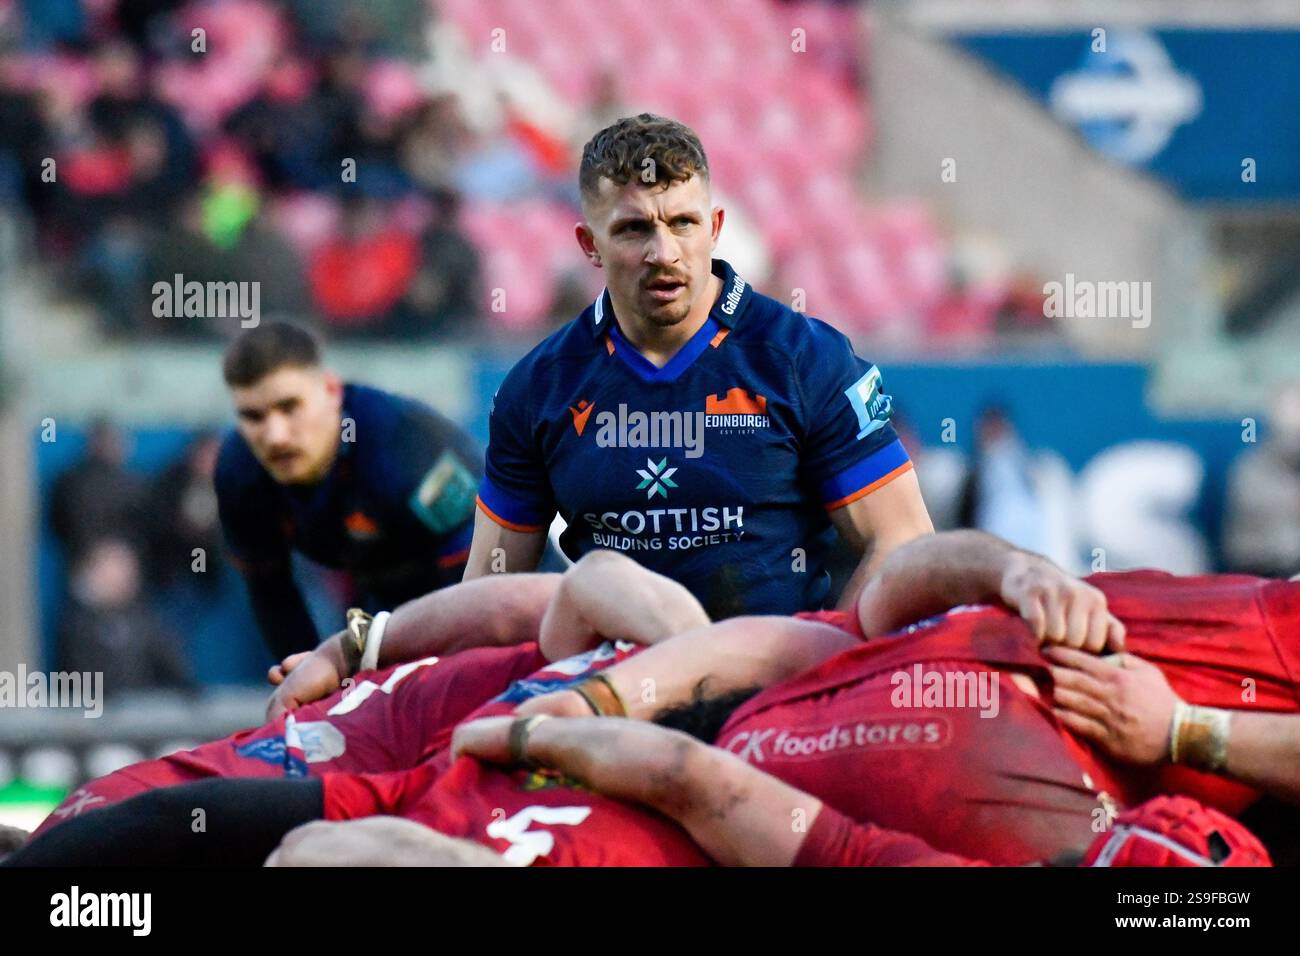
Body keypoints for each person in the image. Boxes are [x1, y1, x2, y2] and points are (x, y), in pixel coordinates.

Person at [13, 534, 1299, 867]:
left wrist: (1189, 737)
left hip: (563, 773)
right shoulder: (746, 643)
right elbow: (570, 597)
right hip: (533, 745)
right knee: (148, 840)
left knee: (286, 841)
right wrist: (361, 640)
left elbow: (597, 615)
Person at [465, 113, 933, 616]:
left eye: (682, 224)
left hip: (777, 678)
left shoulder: (805, 361)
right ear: (589, 245)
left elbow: (902, 541)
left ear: (714, 228)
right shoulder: (538, 388)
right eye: (632, 229)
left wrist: (825, 658)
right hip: (610, 685)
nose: (663, 253)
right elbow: (489, 589)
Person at [216, 321, 483, 658]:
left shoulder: (404, 449)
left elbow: (484, 580)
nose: (275, 436)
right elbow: (270, 592)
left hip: (509, 582)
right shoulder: (240, 475)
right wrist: (308, 684)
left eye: (289, 408)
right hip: (384, 597)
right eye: (253, 417)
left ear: (331, 391)